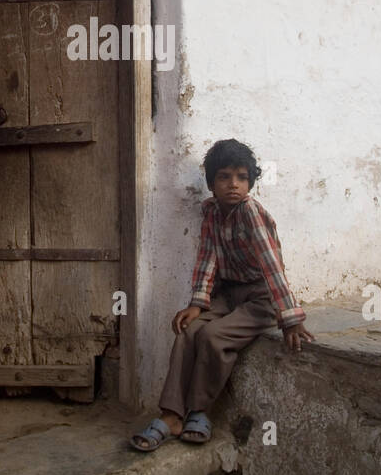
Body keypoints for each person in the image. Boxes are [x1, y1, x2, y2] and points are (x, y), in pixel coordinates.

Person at [131, 138, 315, 450]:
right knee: (189, 330)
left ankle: (201, 410)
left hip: (261, 298)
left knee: (212, 336)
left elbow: (272, 268)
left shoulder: (250, 213)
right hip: (229, 295)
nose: (234, 185)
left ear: (251, 182)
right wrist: (198, 303)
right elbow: (207, 259)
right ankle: (172, 414)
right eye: (224, 177)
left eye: (242, 177)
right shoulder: (213, 213)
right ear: (211, 183)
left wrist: (290, 318)